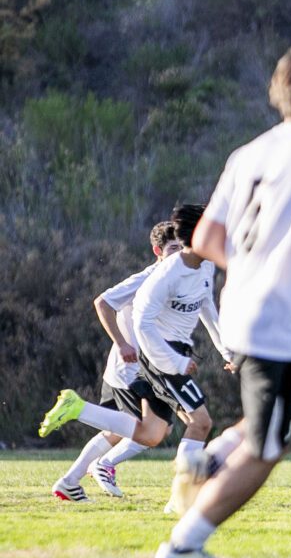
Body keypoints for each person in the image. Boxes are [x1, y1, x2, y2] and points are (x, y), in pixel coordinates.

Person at [152, 40, 291, 558]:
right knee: (270, 449)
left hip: (258, 315)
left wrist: (248, 267)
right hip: (277, 323)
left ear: (280, 92)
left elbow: (203, 237)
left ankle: (214, 454)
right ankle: (183, 546)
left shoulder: (248, 153)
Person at [39, 205, 235, 511]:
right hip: (149, 359)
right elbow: (110, 307)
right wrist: (129, 347)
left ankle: (74, 461)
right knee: (197, 422)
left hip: (161, 356)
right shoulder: (158, 276)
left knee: (152, 433)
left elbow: (207, 307)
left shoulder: (204, 267)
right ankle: (176, 496)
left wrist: (226, 350)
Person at [47, 221, 182, 501]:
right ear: (157, 250)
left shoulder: (175, 280)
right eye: (173, 248)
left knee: (114, 431)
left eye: (182, 247)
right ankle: (99, 454)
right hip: (131, 370)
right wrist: (122, 343)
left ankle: (69, 482)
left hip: (134, 369)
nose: (179, 253)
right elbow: (102, 303)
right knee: (158, 428)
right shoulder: (148, 278)